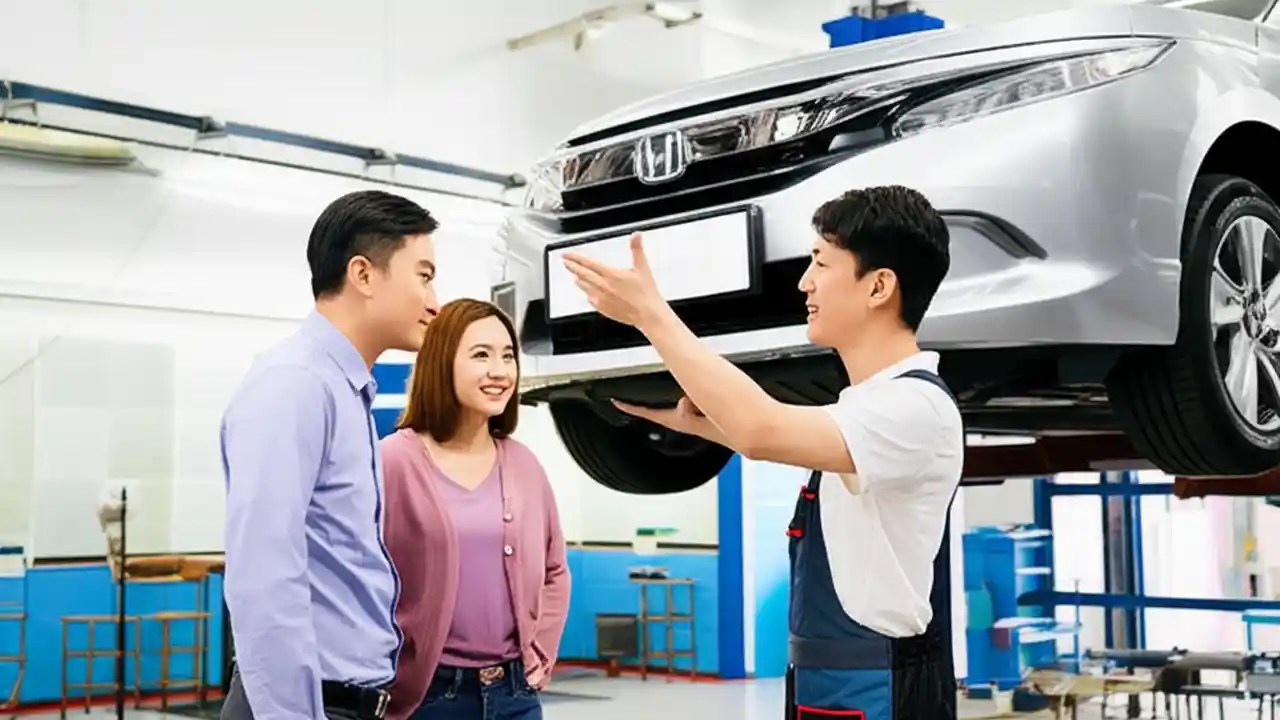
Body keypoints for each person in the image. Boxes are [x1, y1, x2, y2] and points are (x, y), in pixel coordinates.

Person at [562, 185, 964, 720]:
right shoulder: (868, 406)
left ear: (878, 286)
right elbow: (764, 436)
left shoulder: (914, 407)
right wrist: (694, 426)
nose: (804, 282)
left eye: (821, 262)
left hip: (876, 692)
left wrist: (651, 316)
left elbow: (761, 429)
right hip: (830, 684)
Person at [220, 189, 442, 720]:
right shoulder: (296, 384)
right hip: (303, 704)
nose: (435, 302)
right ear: (363, 274)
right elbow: (264, 574)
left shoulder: (343, 389)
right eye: (424, 276)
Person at [378, 298, 570, 720]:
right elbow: (361, 574)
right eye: (481, 355)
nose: (500, 371)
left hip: (516, 695)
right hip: (427, 697)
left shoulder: (523, 463)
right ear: (442, 363)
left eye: (508, 356)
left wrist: (540, 653)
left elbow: (555, 568)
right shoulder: (394, 461)